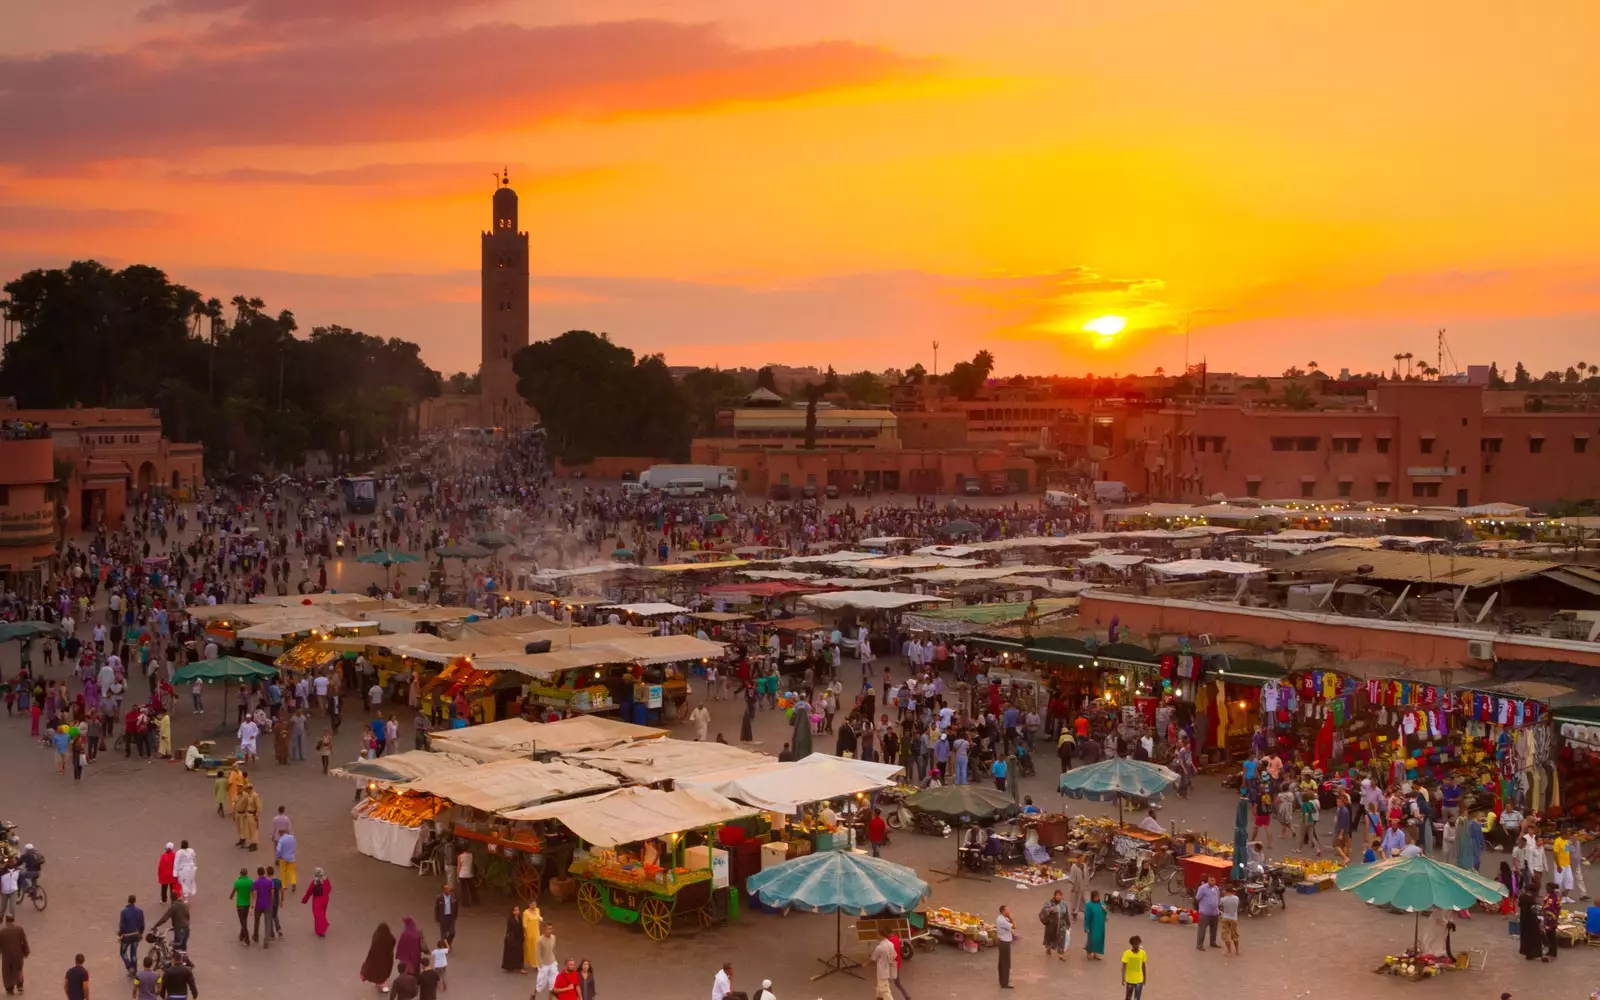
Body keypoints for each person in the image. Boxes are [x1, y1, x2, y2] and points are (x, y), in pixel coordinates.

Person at [362, 922, 397, 990]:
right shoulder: (390, 938)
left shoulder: (376, 937)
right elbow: (393, 943)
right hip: (387, 958)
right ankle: (382, 983)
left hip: (377, 959)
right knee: (385, 971)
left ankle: (379, 982)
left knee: (378, 971)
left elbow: (372, 949)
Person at [118, 894, 145, 976]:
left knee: (123, 952)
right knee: (133, 953)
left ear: (128, 900)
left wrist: (120, 933)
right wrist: (140, 933)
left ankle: (130, 967)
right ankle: (135, 969)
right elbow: (142, 925)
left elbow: (122, 925)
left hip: (127, 936)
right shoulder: (140, 911)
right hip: (136, 935)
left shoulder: (124, 912)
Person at [0, 915, 27, 996]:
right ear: (13, 920)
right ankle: (20, 985)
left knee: (7, 971)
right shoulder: (19, 929)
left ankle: (9, 987)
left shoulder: (2, 932)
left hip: (7, 956)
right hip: (18, 954)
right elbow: (24, 941)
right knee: (18, 970)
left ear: (6, 921)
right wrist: (26, 952)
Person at [1039, 889, 1070, 960]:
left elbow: (1066, 915)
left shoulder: (1064, 905)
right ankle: (1048, 947)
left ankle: (1061, 954)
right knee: (1050, 938)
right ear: (1055, 895)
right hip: (1051, 924)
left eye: (1060, 895)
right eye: (1057, 895)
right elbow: (1043, 912)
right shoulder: (1049, 904)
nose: (1058, 897)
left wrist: (1068, 924)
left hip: (1062, 925)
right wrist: (1049, 911)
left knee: (1062, 939)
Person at [302, 868, 332, 937]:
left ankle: (321, 930)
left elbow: (309, 892)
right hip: (325, 899)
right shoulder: (326, 880)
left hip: (317, 900)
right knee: (322, 912)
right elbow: (330, 888)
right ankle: (324, 924)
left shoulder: (314, 882)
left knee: (318, 915)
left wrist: (304, 900)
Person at [251, 867, 276, 947]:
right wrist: (271, 902)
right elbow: (272, 893)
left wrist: (252, 906)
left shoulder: (255, 882)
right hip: (267, 904)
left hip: (259, 904)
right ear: (264, 872)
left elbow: (254, 895)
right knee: (268, 922)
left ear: (258, 873)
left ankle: (255, 935)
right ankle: (266, 941)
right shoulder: (269, 882)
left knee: (256, 921)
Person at [1194, 876, 1220, 950]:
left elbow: (1217, 899)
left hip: (1215, 913)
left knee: (1214, 930)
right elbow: (1197, 898)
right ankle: (1199, 945)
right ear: (1208, 880)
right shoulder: (1202, 888)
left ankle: (1213, 942)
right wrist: (1198, 908)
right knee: (1202, 929)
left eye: (1213, 879)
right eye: (1210, 879)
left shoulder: (1216, 888)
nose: (1212, 881)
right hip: (1205, 913)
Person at [1120, 935, 1148, 1000]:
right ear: (1131, 944)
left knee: (1137, 998)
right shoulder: (1127, 953)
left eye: (1137, 944)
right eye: (1134, 944)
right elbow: (1124, 966)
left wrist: (1144, 978)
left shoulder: (1142, 953)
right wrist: (1123, 977)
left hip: (1139, 979)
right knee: (1128, 997)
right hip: (1130, 979)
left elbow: (1143, 966)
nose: (1136, 946)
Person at [1518, 889, 1543, 961]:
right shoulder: (1532, 901)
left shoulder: (1522, 897)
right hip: (1532, 921)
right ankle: (1534, 953)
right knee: (1534, 938)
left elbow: (1519, 904)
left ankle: (1527, 953)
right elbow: (1536, 911)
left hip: (1524, 920)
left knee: (1526, 938)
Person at [230, 868, 253, 945]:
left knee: (243, 922)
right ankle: (241, 935)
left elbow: (233, 892)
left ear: (240, 873)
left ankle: (247, 939)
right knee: (244, 920)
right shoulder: (250, 882)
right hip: (247, 904)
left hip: (240, 904)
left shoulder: (237, 882)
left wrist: (231, 897)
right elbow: (252, 892)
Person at [396, 917, 423, 981]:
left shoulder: (405, 934)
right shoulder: (417, 932)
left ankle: (406, 980)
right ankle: (416, 980)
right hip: (415, 954)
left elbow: (401, 944)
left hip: (406, 955)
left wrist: (398, 953)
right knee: (415, 967)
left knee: (407, 968)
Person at [534, 924, 558, 999]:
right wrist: (541, 965)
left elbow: (553, 949)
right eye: (547, 929)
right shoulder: (540, 940)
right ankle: (533, 994)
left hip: (552, 963)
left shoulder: (553, 938)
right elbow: (537, 953)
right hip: (544, 965)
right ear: (544, 930)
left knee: (553, 984)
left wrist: (554, 959)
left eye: (550, 929)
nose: (549, 931)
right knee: (541, 984)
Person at [1082, 890, 1107, 960]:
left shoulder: (1102, 903)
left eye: (1098, 897)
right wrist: (1086, 927)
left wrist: (1105, 910)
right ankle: (1089, 952)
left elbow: (1105, 913)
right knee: (1092, 939)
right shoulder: (1089, 905)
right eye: (1095, 897)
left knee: (1099, 939)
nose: (1097, 898)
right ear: (1092, 897)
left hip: (1100, 925)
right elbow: (1087, 917)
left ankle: (1096, 953)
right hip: (1092, 925)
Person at [871, 933, 897, 999]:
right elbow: (894, 956)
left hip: (882, 973)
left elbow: (873, 958)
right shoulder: (891, 944)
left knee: (885, 992)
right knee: (879, 992)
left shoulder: (880, 947)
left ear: (880, 935)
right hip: (887, 971)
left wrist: (865, 964)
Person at [995, 904, 1014, 988]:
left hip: (1003, 941)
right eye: (1007, 910)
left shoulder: (1001, 918)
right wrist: (1011, 918)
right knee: (1005, 963)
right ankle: (1005, 982)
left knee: (1002, 962)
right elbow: (1014, 926)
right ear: (1003, 911)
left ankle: (1002, 980)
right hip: (1004, 942)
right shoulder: (1002, 920)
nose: (1009, 911)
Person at [1218, 883, 1241, 955]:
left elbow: (1220, 907)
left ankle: (1229, 951)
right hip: (1234, 918)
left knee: (1226, 934)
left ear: (1226, 890)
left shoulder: (1223, 899)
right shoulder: (1236, 898)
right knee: (1235, 934)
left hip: (1225, 917)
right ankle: (1237, 951)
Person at [501, 906, 524, 973]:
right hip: (512, 937)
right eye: (515, 910)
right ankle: (509, 966)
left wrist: (522, 936)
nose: (517, 912)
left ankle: (518, 965)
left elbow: (521, 928)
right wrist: (511, 939)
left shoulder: (519, 918)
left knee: (519, 952)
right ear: (512, 911)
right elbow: (510, 930)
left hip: (518, 937)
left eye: (518, 910)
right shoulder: (510, 920)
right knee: (511, 952)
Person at [522, 904, 541, 973]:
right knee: (528, 948)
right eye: (532, 905)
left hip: (536, 932)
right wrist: (525, 933)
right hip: (529, 933)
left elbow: (538, 917)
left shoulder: (537, 910)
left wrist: (540, 918)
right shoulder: (526, 913)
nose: (533, 906)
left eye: (534, 905)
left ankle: (536, 964)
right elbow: (524, 924)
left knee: (536, 948)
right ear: (529, 905)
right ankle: (525, 962)